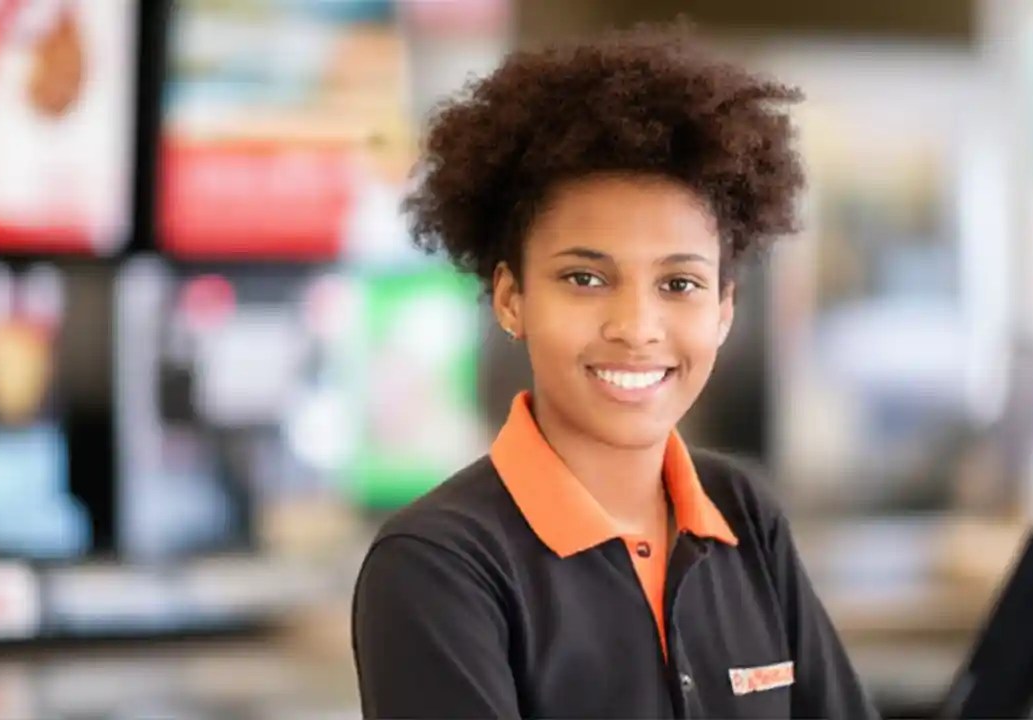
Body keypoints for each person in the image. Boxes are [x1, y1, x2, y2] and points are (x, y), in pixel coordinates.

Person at [352, 25, 878, 720]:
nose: (635, 326)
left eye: (680, 285)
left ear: (724, 309)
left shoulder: (745, 515)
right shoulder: (437, 564)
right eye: (585, 278)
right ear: (512, 299)